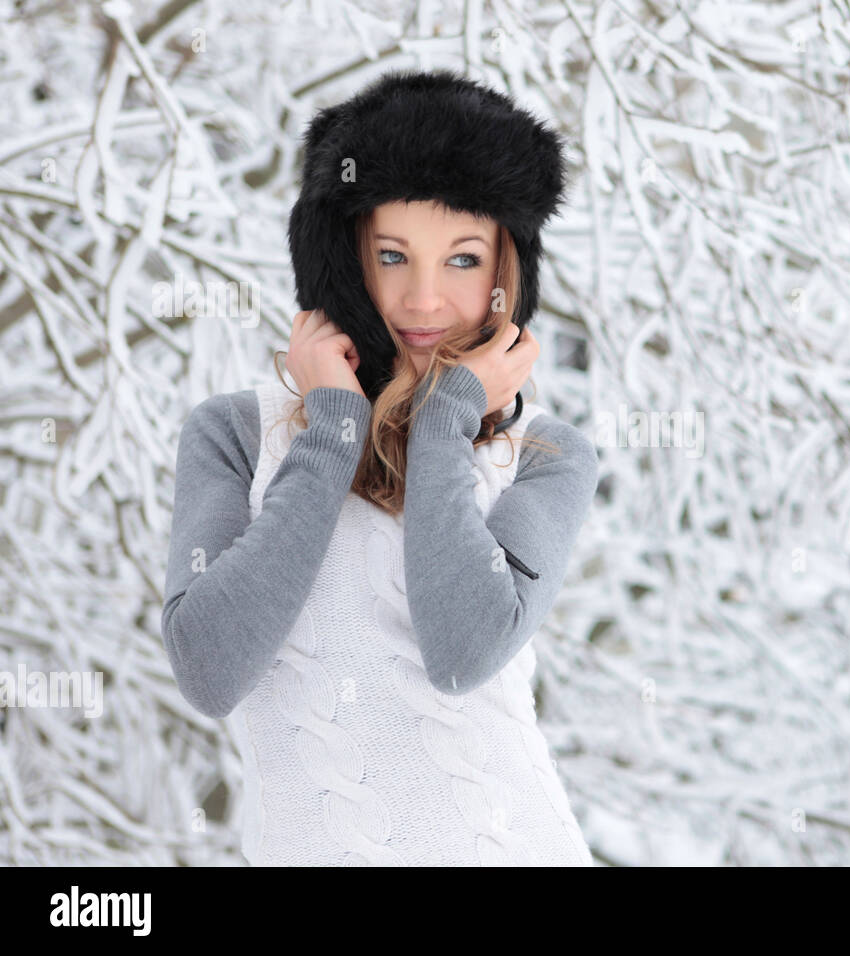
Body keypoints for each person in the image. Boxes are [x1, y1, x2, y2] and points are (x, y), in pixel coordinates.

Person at [160, 69, 597, 865]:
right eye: (393, 255)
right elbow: (209, 668)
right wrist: (331, 433)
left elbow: (462, 653)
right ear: (341, 258)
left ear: (508, 274)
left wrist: (444, 424)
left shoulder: (545, 456)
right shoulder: (235, 436)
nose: (424, 301)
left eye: (463, 261)